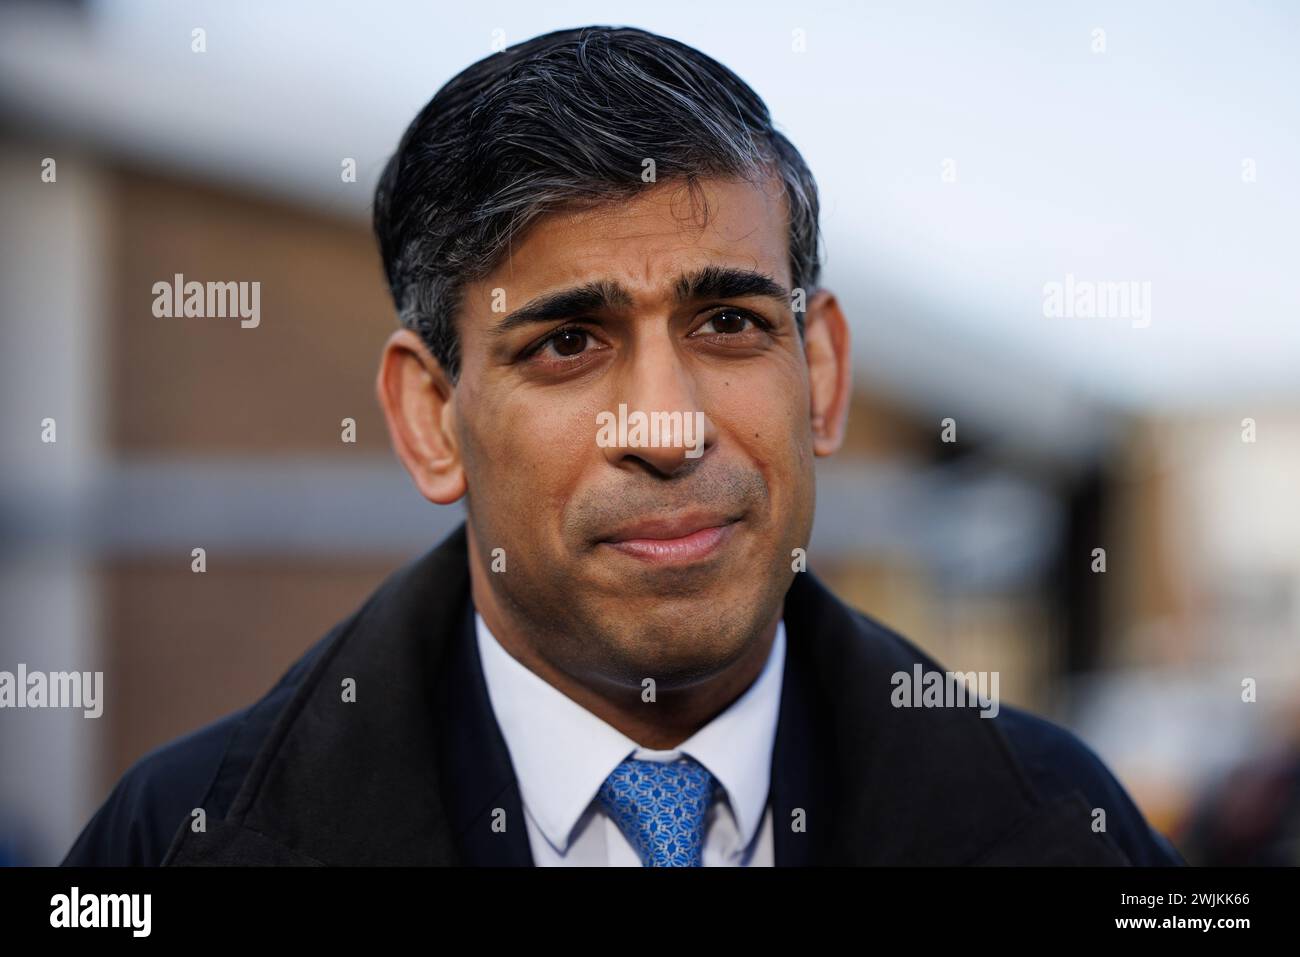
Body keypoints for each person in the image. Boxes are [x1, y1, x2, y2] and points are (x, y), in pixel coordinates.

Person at [63, 25, 1183, 867]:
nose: (667, 428)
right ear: (428, 418)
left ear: (824, 378)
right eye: (565, 344)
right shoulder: (173, 850)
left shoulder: (1064, 832)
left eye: (730, 324)